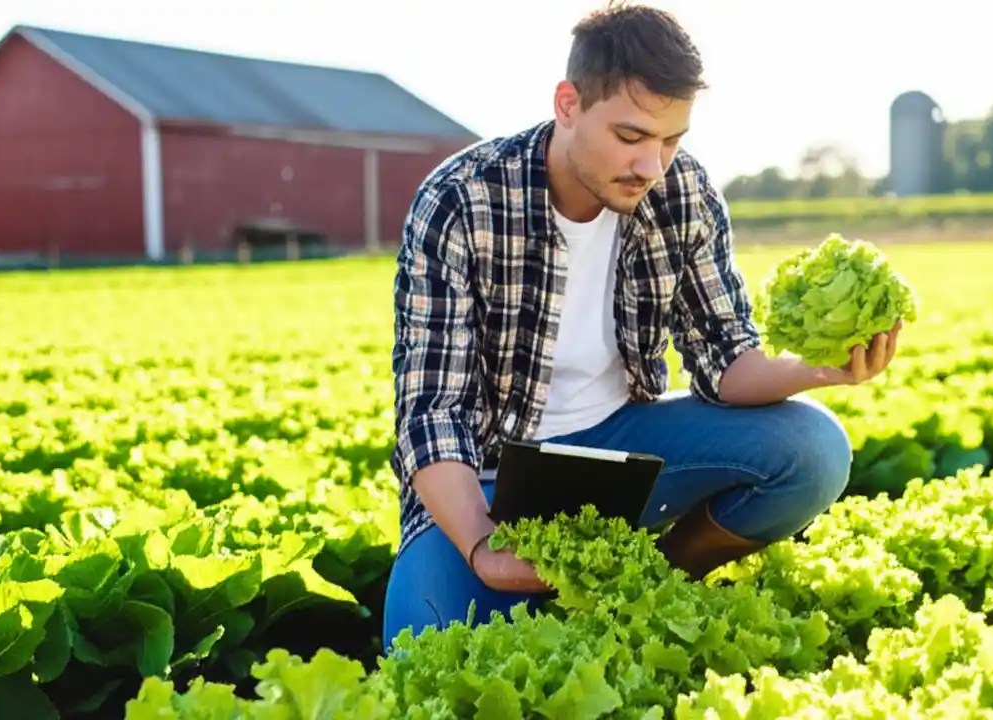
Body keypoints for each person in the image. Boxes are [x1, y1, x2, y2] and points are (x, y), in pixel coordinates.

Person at [382, 1, 902, 650]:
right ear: (568, 104)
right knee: (427, 636)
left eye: (671, 140)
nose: (652, 166)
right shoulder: (462, 198)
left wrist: (819, 370)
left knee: (813, 450)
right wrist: (483, 546)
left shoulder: (682, 192)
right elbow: (433, 411)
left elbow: (725, 358)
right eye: (631, 138)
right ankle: (535, 582)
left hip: (623, 453)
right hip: (490, 473)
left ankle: (659, 576)